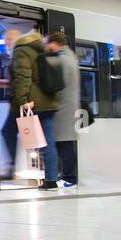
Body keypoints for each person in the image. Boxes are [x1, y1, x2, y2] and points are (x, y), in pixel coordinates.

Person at [8, 27, 60, 191]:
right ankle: (51, 180)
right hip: (50, 100)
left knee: (17, 135)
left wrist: (22, 100)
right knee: (49, 142)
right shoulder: (42, 49)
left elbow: (23, 77)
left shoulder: (22, 51)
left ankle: (21, 171)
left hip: (34, 102)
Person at [47, 31, 80, 188]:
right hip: (69, 106)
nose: (48, 47)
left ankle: (70, 178)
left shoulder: (62, 60)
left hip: (63, 107)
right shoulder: (71, 57)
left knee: (65, 144)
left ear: (55, 43)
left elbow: (59, 85)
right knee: (65, 143)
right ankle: (67, 176)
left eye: (49, 44)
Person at [0, 28, 22, 177]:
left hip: (21, 102)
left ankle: (13, 166)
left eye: (8, 39)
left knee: (8, 131)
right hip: (19, 101)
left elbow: (23, 79)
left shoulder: (19, 54)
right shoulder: (15, 55)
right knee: (9, 132)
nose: (6, 42)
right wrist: (7, 83)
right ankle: (13, 166)